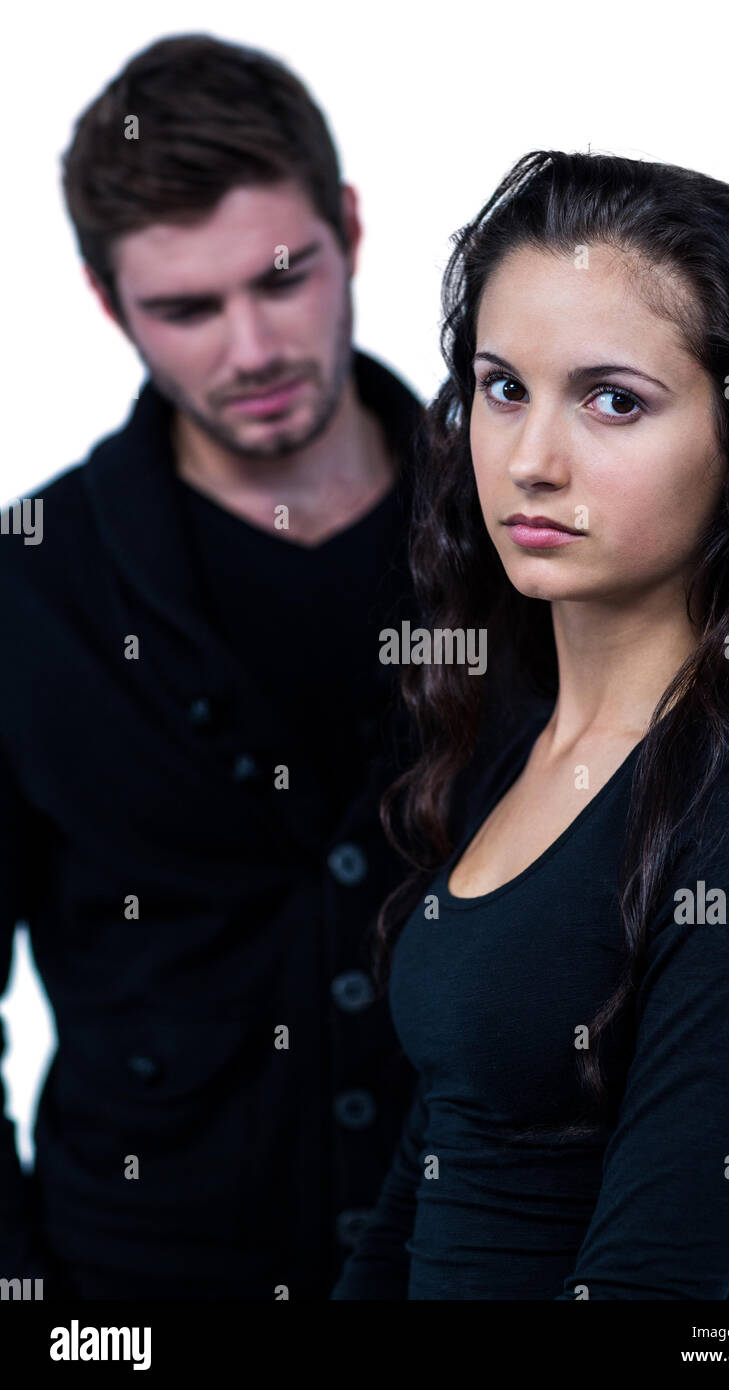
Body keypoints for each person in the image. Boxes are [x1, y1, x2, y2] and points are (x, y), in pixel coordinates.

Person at [331, 150, 729, 1300]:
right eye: (501, 386)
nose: (529, 459)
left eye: (612, 400)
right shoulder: (511, 737)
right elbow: (422, 1187)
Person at [0, 32, 441, 1301]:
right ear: (107, 302)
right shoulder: (30, 587)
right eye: (186, 309)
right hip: (138, 1287)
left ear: (347, 226)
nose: (249, 348)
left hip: (494, 1262)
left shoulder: (529, 540)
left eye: (281, 279)